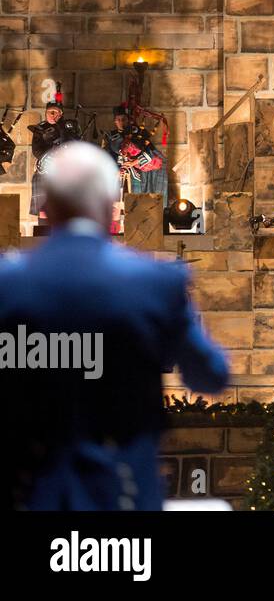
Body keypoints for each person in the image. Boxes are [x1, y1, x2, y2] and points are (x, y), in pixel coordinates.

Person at [0, 142, 229, 510]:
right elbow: (210, 376)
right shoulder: (155, 282)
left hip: (30, 492)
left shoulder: (6, 284)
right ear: (110, 205)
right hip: (123, 494)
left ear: (46, 207)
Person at [27, 89, 80, 219]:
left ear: (60, 114)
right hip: (45, 171)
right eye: (49, 112)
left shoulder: (69, 127)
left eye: (54, 112)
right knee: (44, 210)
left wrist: (62, 129)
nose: (51, 115)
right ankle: (43, 233)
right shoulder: (40, 128)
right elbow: (37, 150)